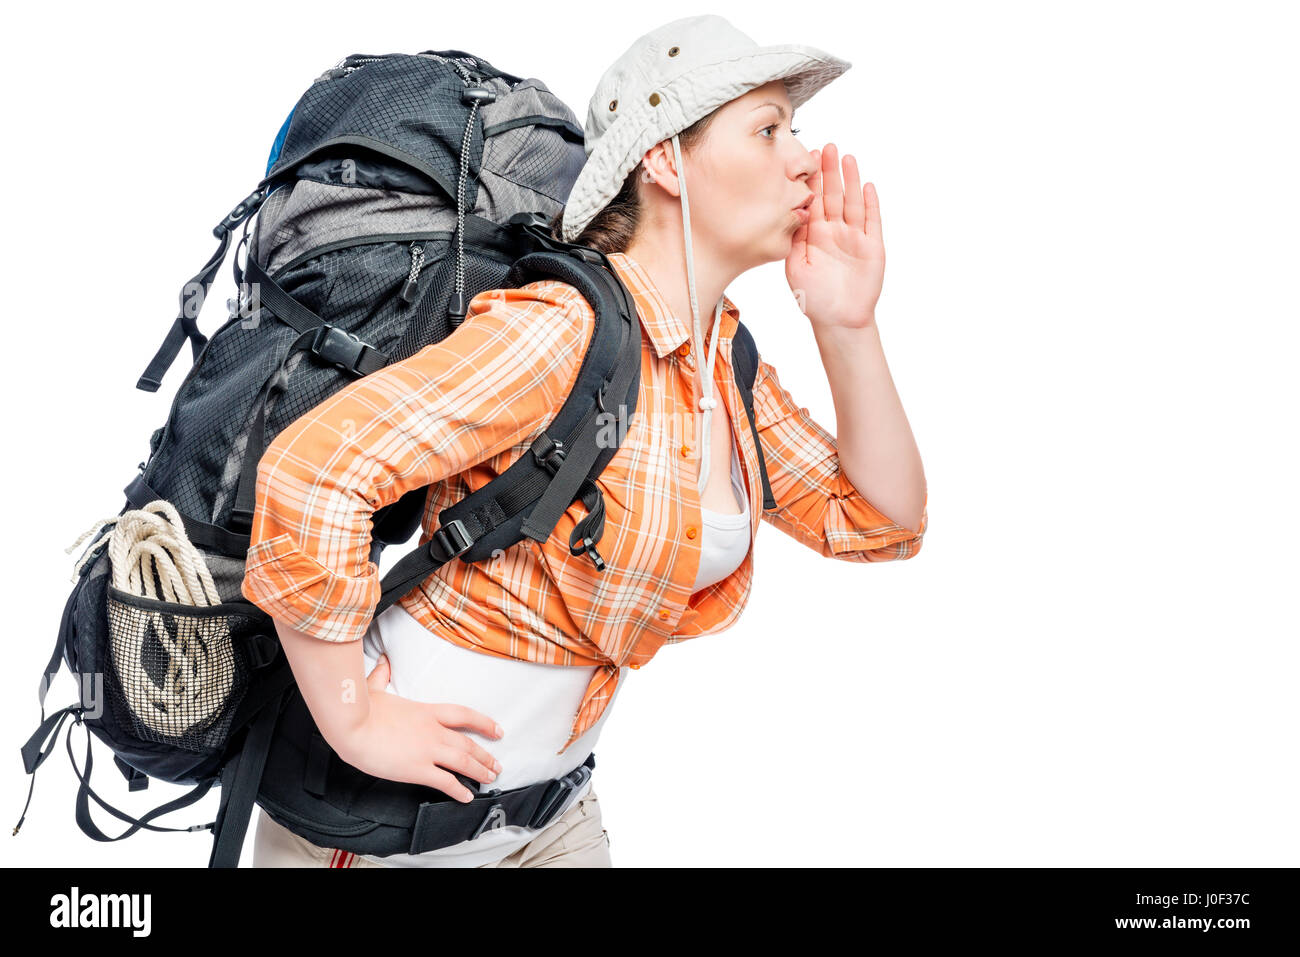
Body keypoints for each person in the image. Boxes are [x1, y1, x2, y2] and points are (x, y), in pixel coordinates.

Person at [242, 13, 928, 868]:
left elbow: (880, 518)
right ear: (665, 160)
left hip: (551, 822)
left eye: (797, 129)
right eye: (767, 129)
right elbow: (314, 473)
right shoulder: (563, 331)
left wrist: (848, 325)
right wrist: (354, 718)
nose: (803, 157)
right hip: (387, 836)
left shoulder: (726, 367)